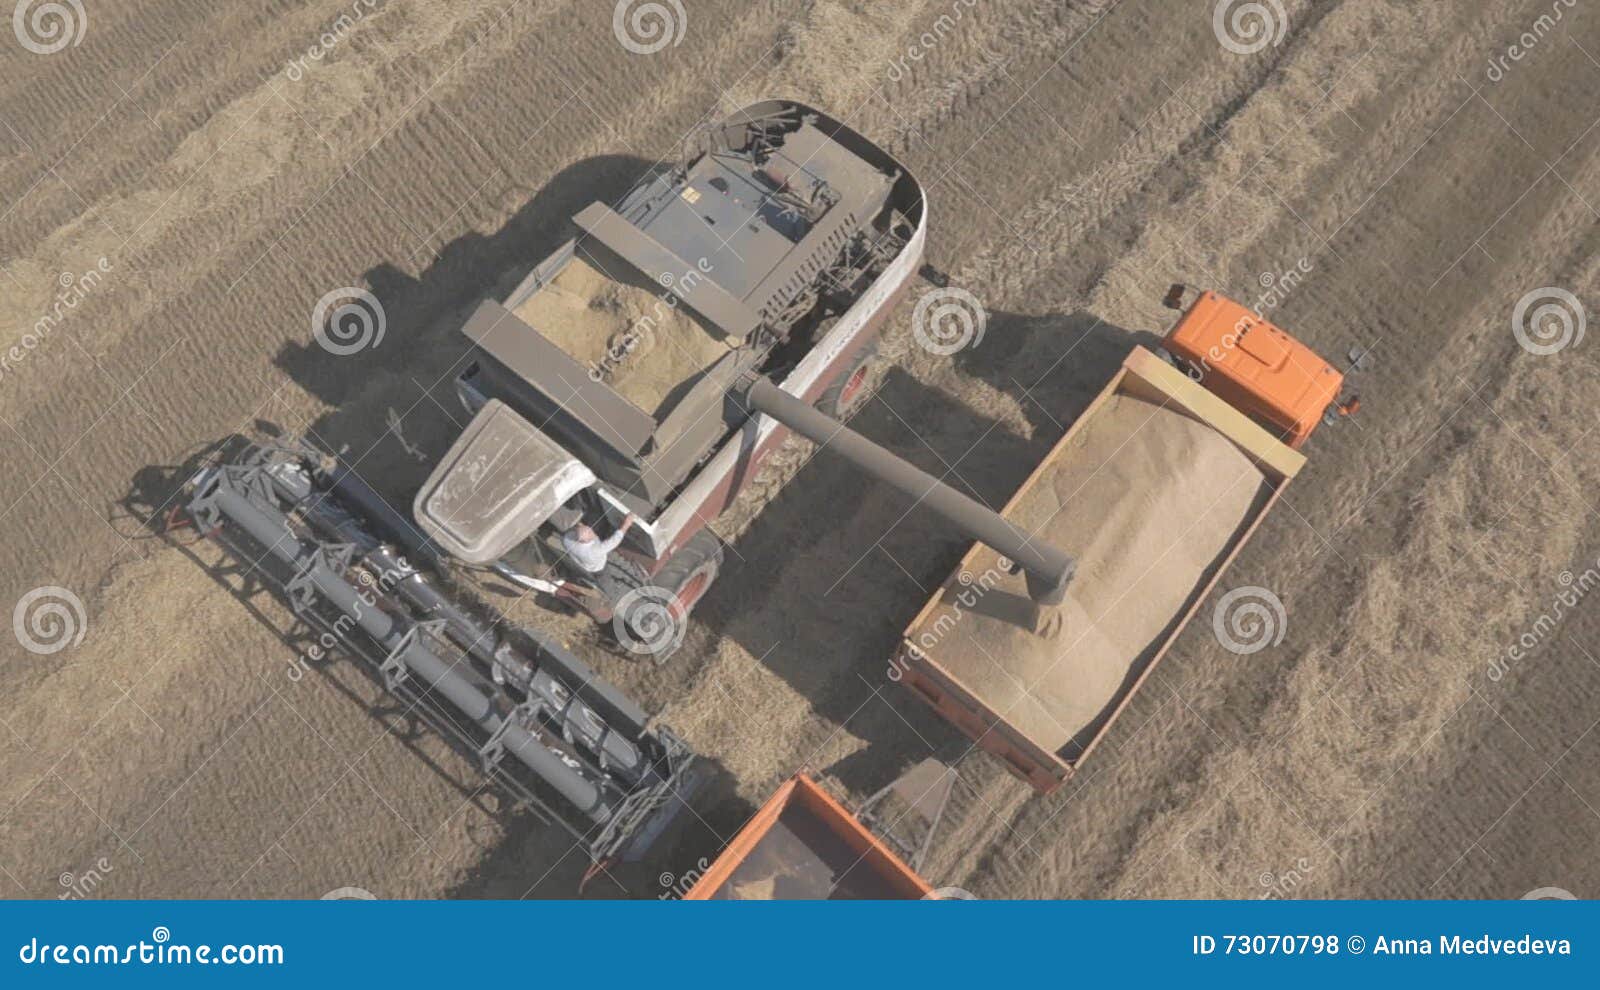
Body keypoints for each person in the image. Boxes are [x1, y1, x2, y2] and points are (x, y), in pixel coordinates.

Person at [561, 514, 638, 577]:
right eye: (591, 532)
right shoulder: (595, 550)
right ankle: (606, 581)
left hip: (585, 562)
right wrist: (627, 523)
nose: (592, 530)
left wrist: (580, 526)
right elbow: (614, 540)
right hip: (597, 567)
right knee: (604, 574)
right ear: (588, 540)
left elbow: (578, 529)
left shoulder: (567, 538)